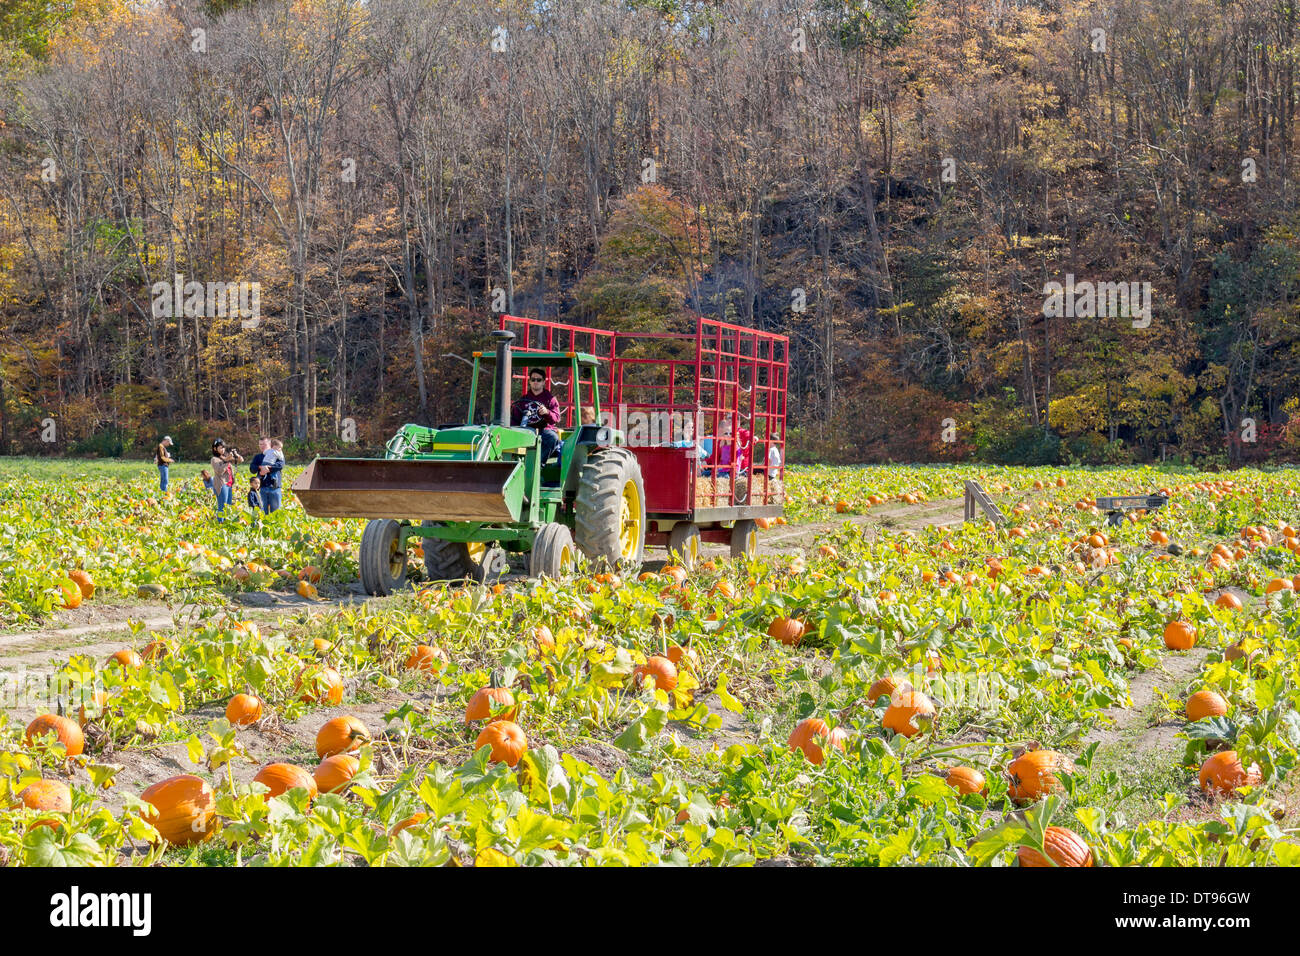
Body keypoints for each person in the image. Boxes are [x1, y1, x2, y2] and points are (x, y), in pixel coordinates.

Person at [510, 368, 562, 463]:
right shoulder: (523, 400)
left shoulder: (550, 399)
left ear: (543, 382)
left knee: (552, 438)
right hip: (527, 430)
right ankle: (514, 464)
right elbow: (514, 421)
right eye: (533, 379)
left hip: (544, 431)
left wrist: (547, 412)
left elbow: (556, 418)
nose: (535, 382)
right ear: (529, 381)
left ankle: (537, 466)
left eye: (538, 380)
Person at [210, 439, 244, 520]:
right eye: (220, 448)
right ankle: (220, 525)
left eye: (224, 448)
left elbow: (241, 460)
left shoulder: (225, 457)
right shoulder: (214, 459)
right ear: (215, 449)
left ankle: (226, 524)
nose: (223, 450)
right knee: (222, 507)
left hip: (229, 485)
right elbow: (219, 471)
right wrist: (227, 460)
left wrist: (236, 455)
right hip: (222, 486)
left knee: (228, 507)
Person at [249, 437, 284, 514]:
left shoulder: (277, 454)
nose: (262, 446)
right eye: (260, 444)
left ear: (270, 444)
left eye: (264, 444)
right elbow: (252, 468)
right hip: (262, 488)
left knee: (275, 514)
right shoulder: (258, 457)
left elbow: (280, 465)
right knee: (262, 513)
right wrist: (260, 467)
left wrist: (268, 469)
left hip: (275, 488)